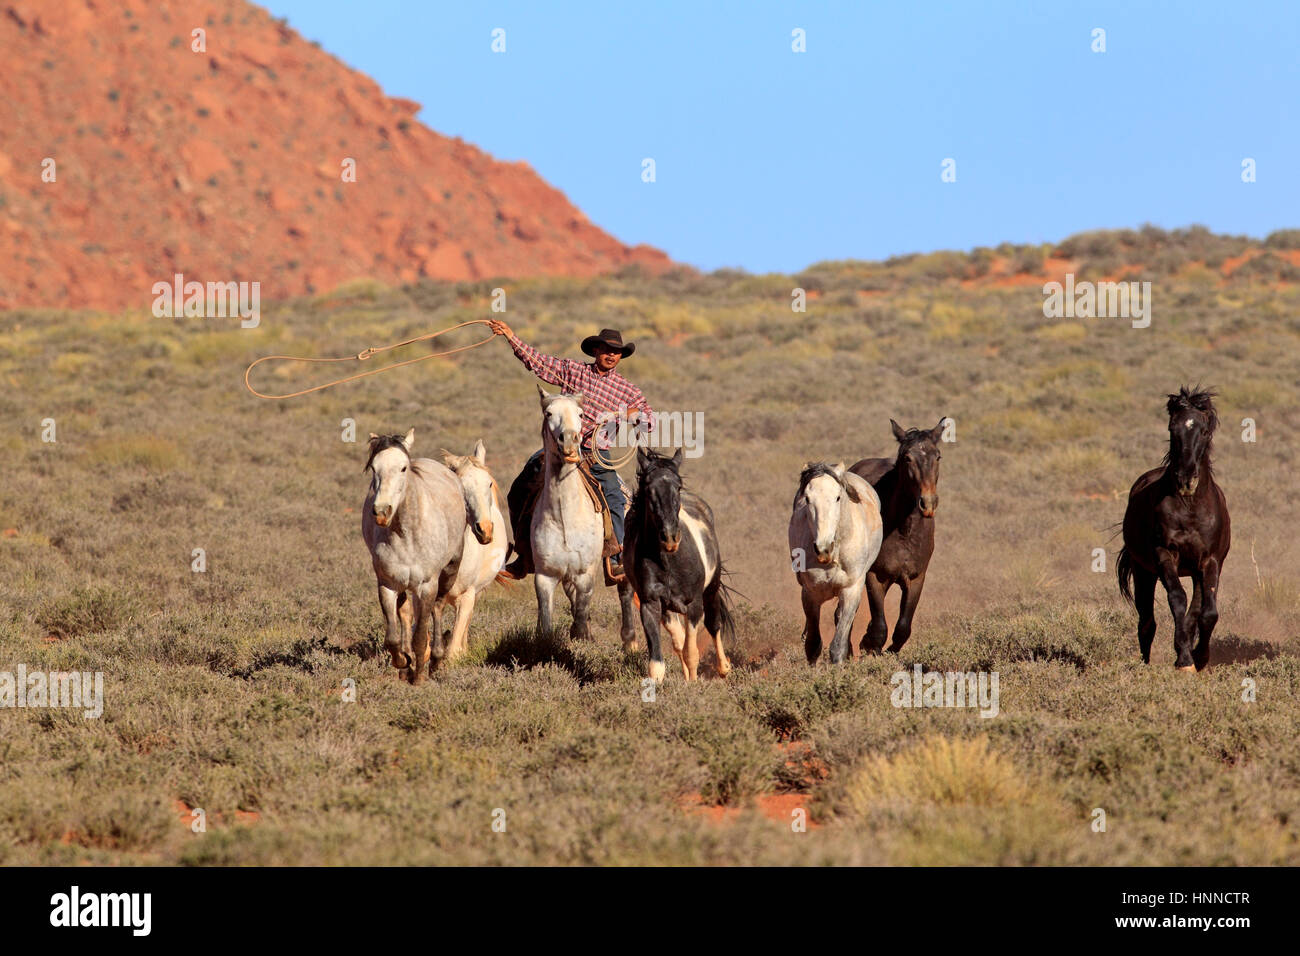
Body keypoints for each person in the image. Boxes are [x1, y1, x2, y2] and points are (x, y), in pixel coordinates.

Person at [489, 320, 654, 582]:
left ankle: (616, 556)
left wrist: (627, 413)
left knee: (614, 494)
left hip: (596, 452)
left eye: (617, 351)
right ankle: (523, 554)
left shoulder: (627, 390)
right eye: (607, 349)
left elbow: (649, 421)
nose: (612, 355)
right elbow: (537, 362)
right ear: (596, 351)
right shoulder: (573, 371)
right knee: (520, 488)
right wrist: (510, 336)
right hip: (559, 449)